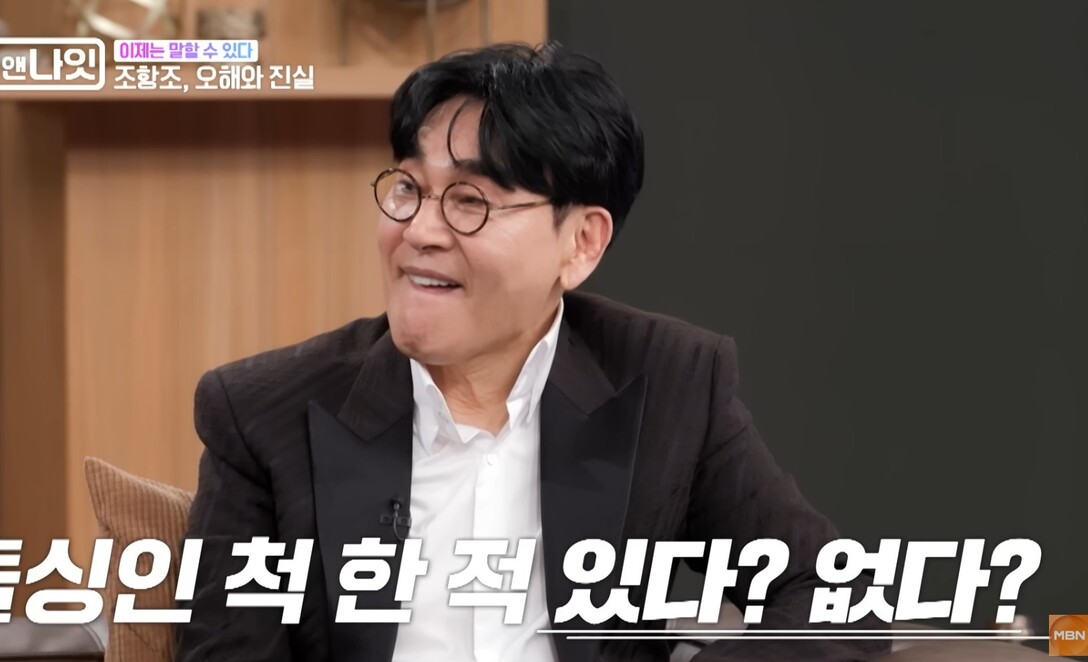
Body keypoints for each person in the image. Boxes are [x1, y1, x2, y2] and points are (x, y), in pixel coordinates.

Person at [176, 42, 886, 662]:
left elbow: (837, 597)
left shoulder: (667, 381)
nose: (419, 231)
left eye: (470, 201)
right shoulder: (264, 413)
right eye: (409, 188)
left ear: (581, 243)